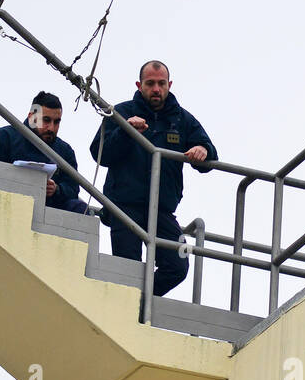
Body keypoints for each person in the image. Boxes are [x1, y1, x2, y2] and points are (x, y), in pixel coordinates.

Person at [90, 60, 218, 296]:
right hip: (124, 207)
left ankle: (139, 303)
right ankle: (131, 305)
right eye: (150, 84)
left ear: (169, 85)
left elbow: (210, 155)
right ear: (139, 85)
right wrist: (125, 131)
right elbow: (99, 153)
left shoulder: (182, 119)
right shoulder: (121, 112)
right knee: (127, 269)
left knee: (178, 265)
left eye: (161, 84)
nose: (156, 89)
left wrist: (203, 150)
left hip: (162, 211)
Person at [0, 91, 87, 213]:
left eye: (57, 122)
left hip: (47, 211)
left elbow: (73, 189)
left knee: (81, 208)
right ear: (31, 117)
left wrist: (56, 190)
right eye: (46, 120)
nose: (51, 128)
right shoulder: (4, 138)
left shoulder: (65, 151)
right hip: (5, 205)